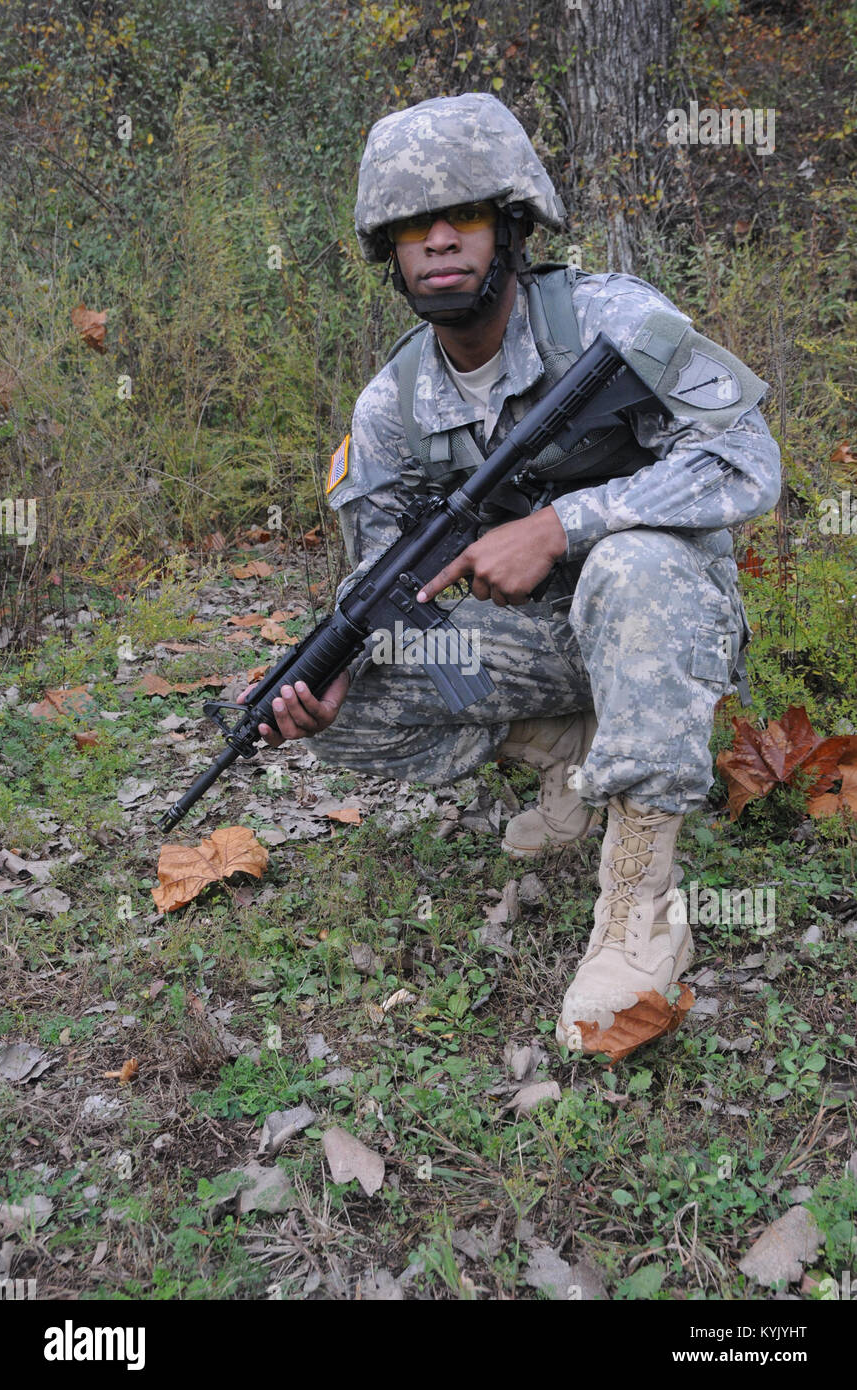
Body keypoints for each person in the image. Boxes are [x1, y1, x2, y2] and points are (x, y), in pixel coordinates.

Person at [245, 93, 781, 1055]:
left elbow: (748, 460)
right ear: (390, 253)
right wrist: (331, 671)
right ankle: (574, 751)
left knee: (630, 560)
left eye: (464, 217)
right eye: (414, 226)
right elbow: (382, 584)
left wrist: (562, 523)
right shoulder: (392, 407)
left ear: (512, 227)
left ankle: (638, 910)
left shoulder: (615, 319)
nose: (439, 241)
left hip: (666, 618)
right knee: (338, 687)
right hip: (541, 645)